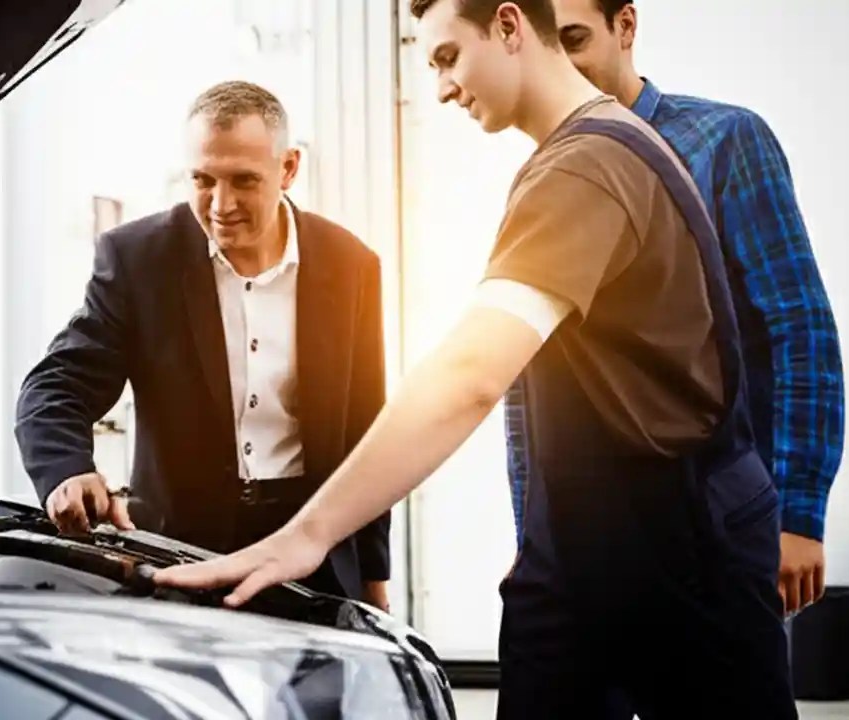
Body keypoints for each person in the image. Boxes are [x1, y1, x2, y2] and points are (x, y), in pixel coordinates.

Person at [154, 1, 799, 717]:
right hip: (599, 545)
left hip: (680, 550)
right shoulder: (605, 146)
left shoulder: (585, 169)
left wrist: (305, 537)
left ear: (510, 25)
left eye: (446, 58)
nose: (441, 87)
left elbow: (470, 375)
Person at [14, 80, 391, 609]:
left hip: (318, 560)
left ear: (288, 169)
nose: (221, 204)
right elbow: (56, 385)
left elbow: (368, 436)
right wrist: (66, 468)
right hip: (179, 556)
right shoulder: (137, 259)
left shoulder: (352, 266)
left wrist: (374, 587)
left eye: (243, 181)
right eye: (203, 180)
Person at [541, 0, 844, 621]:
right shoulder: (549, 174)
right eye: (551, 48)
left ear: (625, 26)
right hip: (587, 538)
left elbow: (800, 328)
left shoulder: (724, 141)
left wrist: (799, 513)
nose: (563, 67)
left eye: (575, 40)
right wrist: (530, 534)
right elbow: (533, 383)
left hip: (712, 526)